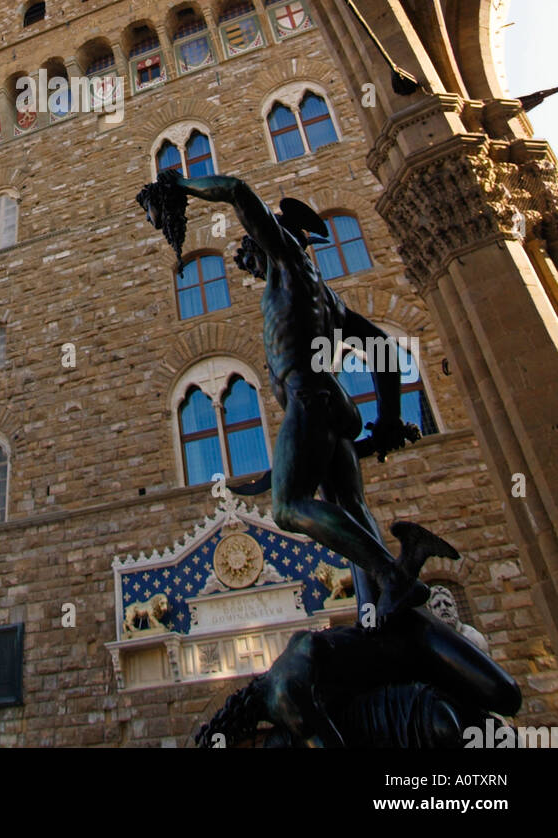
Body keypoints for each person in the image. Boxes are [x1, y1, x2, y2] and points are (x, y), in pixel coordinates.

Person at [138, 168, 431, 622]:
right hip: (334, 404)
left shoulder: (288, 261)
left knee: (289, 508)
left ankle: (391, 575)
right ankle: (378, 611)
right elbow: (383, 349)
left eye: (251, 249)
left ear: (272, 237)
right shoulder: (328, 298)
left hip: (308, 398)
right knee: (350, 511)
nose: (246, 259)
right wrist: (389, 419)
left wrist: (181, 188)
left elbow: (237, 191)